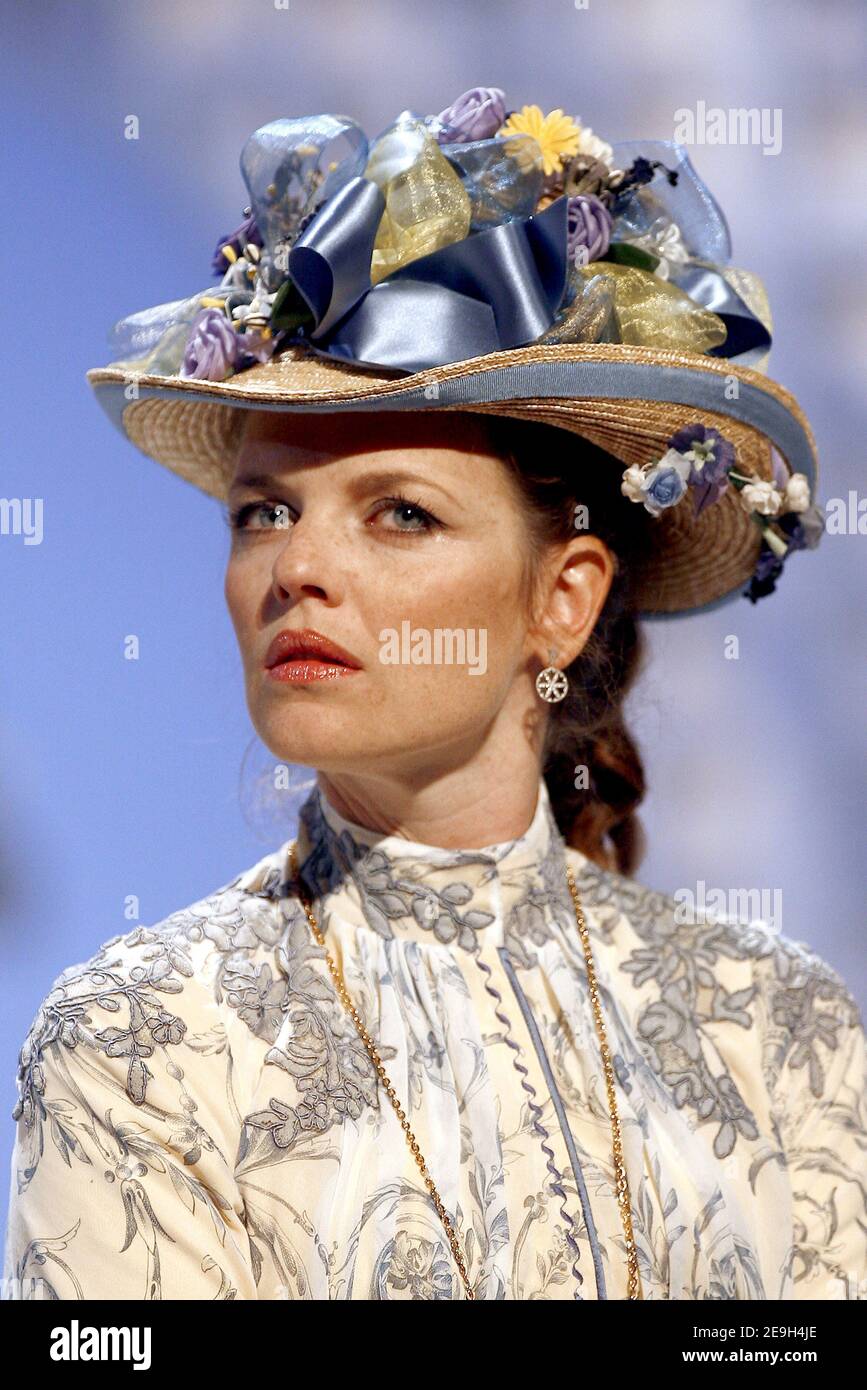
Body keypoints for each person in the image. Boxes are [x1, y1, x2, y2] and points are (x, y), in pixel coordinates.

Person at [3, 93, 864, 1301]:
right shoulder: (140, 1042)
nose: (297, 568)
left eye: (401, 512)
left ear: (562, 598)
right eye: (264, 512)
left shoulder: (785, 1030)